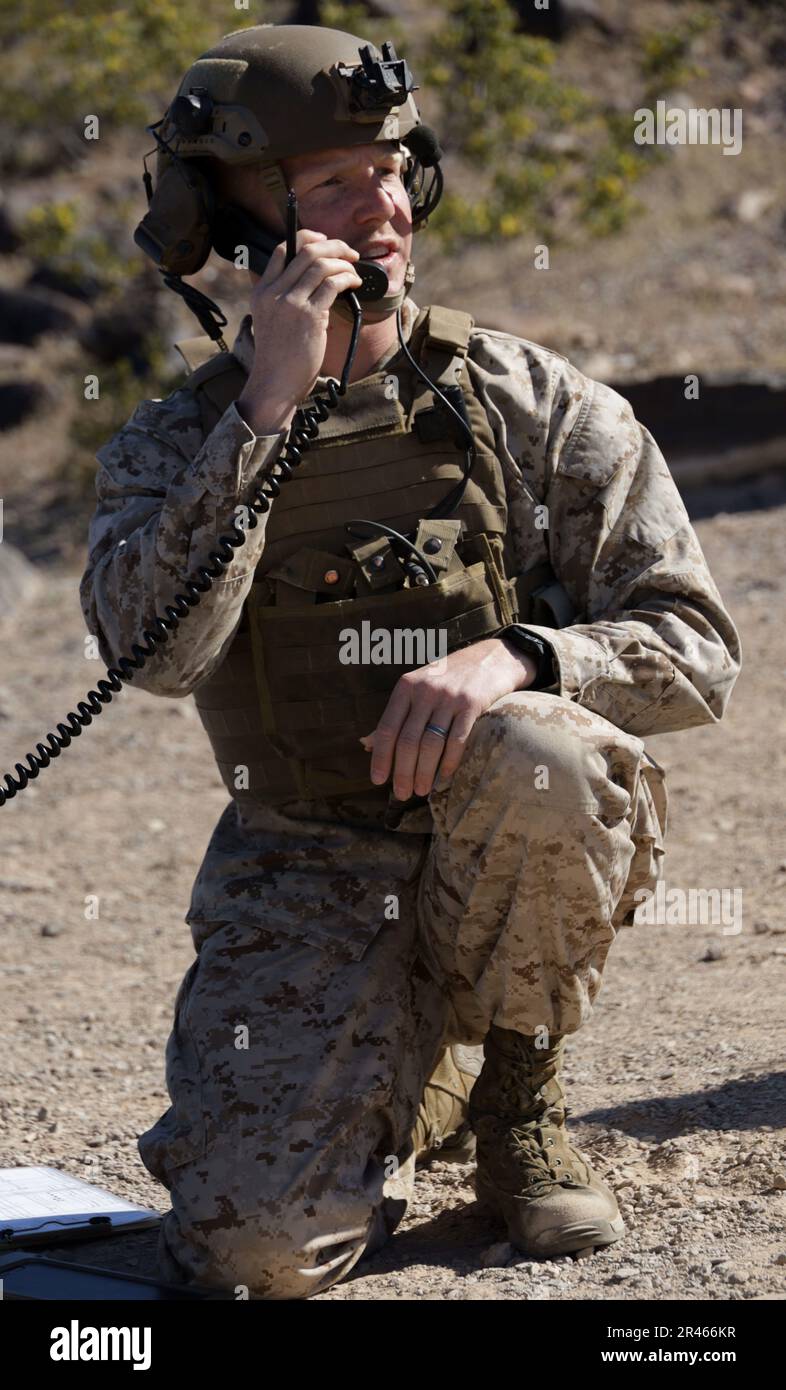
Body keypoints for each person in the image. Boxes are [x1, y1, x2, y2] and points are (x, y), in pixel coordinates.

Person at [79, 24, 741, 1299]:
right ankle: (400, 1063)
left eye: (390, 168)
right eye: (330, 184)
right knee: (255, 1256)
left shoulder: (528, 402)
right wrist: (266, 416)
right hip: (304, 858)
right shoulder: (178, 443)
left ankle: (516, 1094)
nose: (381, 206)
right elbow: (154, 658)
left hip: (494, 833)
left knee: (545, 747)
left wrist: (522, 656)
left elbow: (696, 646)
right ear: (234, 220)